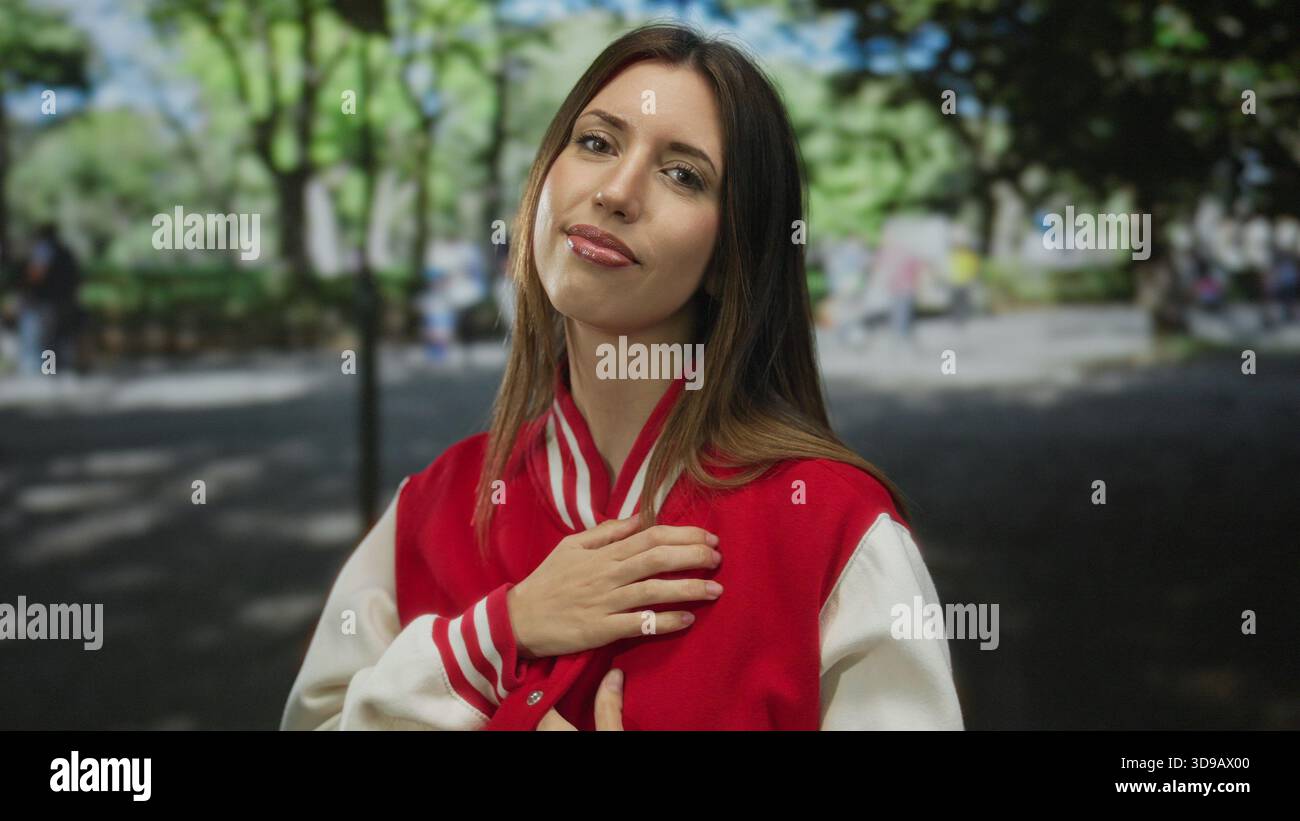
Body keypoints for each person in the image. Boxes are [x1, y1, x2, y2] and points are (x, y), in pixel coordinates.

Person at [281, 23, 963, 731]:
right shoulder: (430, 509)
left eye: (683, 175)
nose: (616, 191)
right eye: (597, 142)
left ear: (733, 254)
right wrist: (495, 633)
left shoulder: (834, 528)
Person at [17, 223, 81, 376]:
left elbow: (36, 274)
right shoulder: (65, 252)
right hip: (63, 300)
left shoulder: (44, 250)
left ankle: (39, 372)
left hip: (44, 302)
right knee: (56, 337)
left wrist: (25, 289)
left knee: (39, 337)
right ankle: (55, 370)